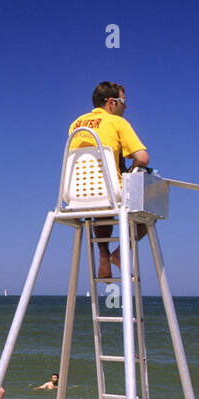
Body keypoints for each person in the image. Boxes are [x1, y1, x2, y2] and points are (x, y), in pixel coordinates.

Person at [69, 81, 150, 279]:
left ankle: (104, 256)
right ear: (112, 103)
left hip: (76, 195)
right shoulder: (117, 122)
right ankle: (119, 254)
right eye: (123, 102)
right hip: (111, 192)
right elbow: (143, 158)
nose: (126, 107)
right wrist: (132, 169)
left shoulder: (76, 124)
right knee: (149, 211)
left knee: (102, 203)